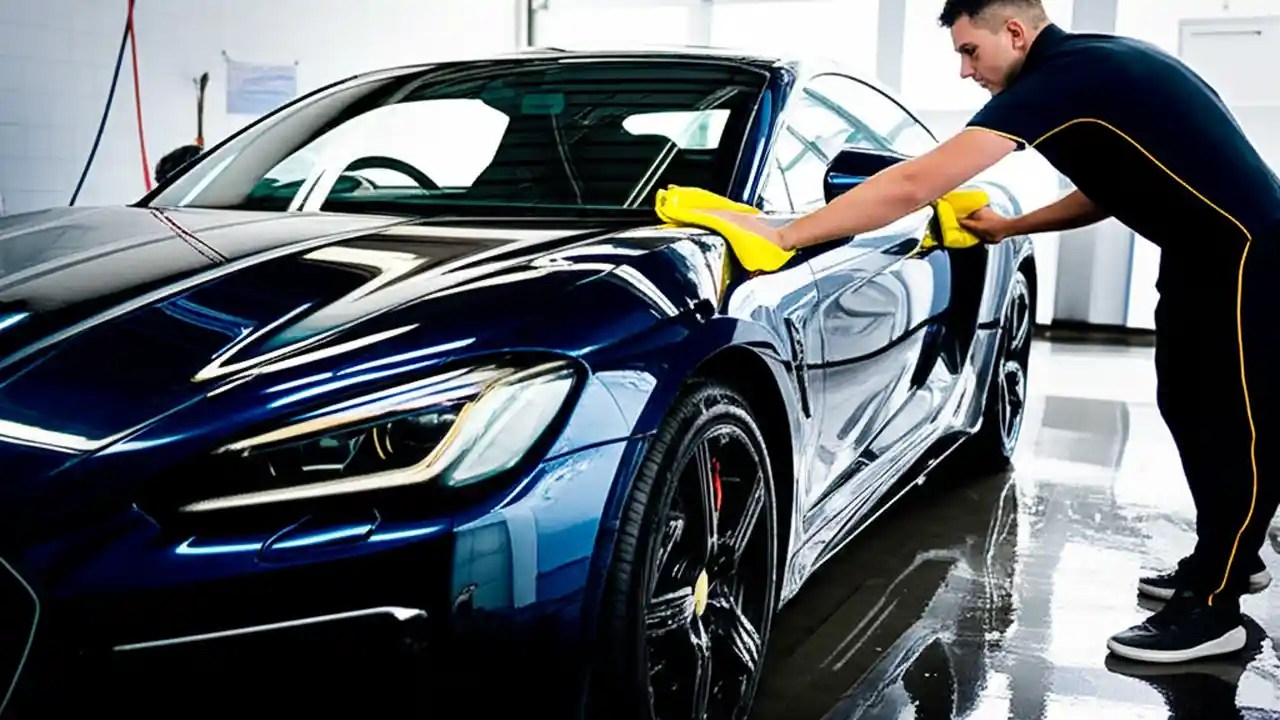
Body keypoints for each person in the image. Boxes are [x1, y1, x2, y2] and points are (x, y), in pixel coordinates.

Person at [708, 0, 1280, 664]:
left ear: (1015, 31)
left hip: (1247, 257)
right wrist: (1009, 227)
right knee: (1186, 404)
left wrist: (784, 234)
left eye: (969, 51)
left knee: (1235, 423)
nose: (963, 71)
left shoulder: (1063, 79)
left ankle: (1216, 608)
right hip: (1204, 253)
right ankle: (1225, 557)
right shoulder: (1097, 66)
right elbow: (1112, 189)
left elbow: (920, 180)